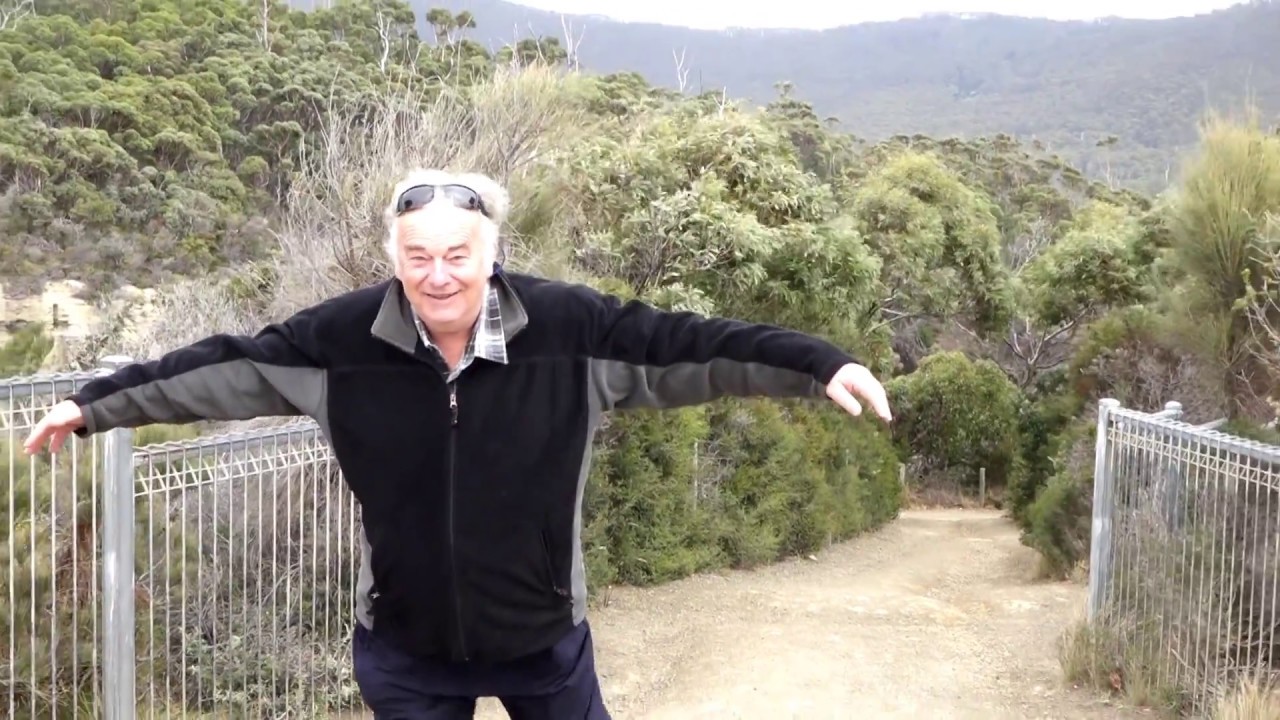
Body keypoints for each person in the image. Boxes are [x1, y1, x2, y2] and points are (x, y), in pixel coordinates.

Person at [24, 168, 892, 720]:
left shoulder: (568, 329)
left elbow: (692, 344)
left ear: (493, 253)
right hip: (405, 651)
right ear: (394, 257)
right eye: (417, 255)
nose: (437, 275)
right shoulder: (341, 343)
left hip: (543, 642)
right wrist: (91, 405)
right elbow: (224, 365)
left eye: (456, 255)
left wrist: (819, 364)